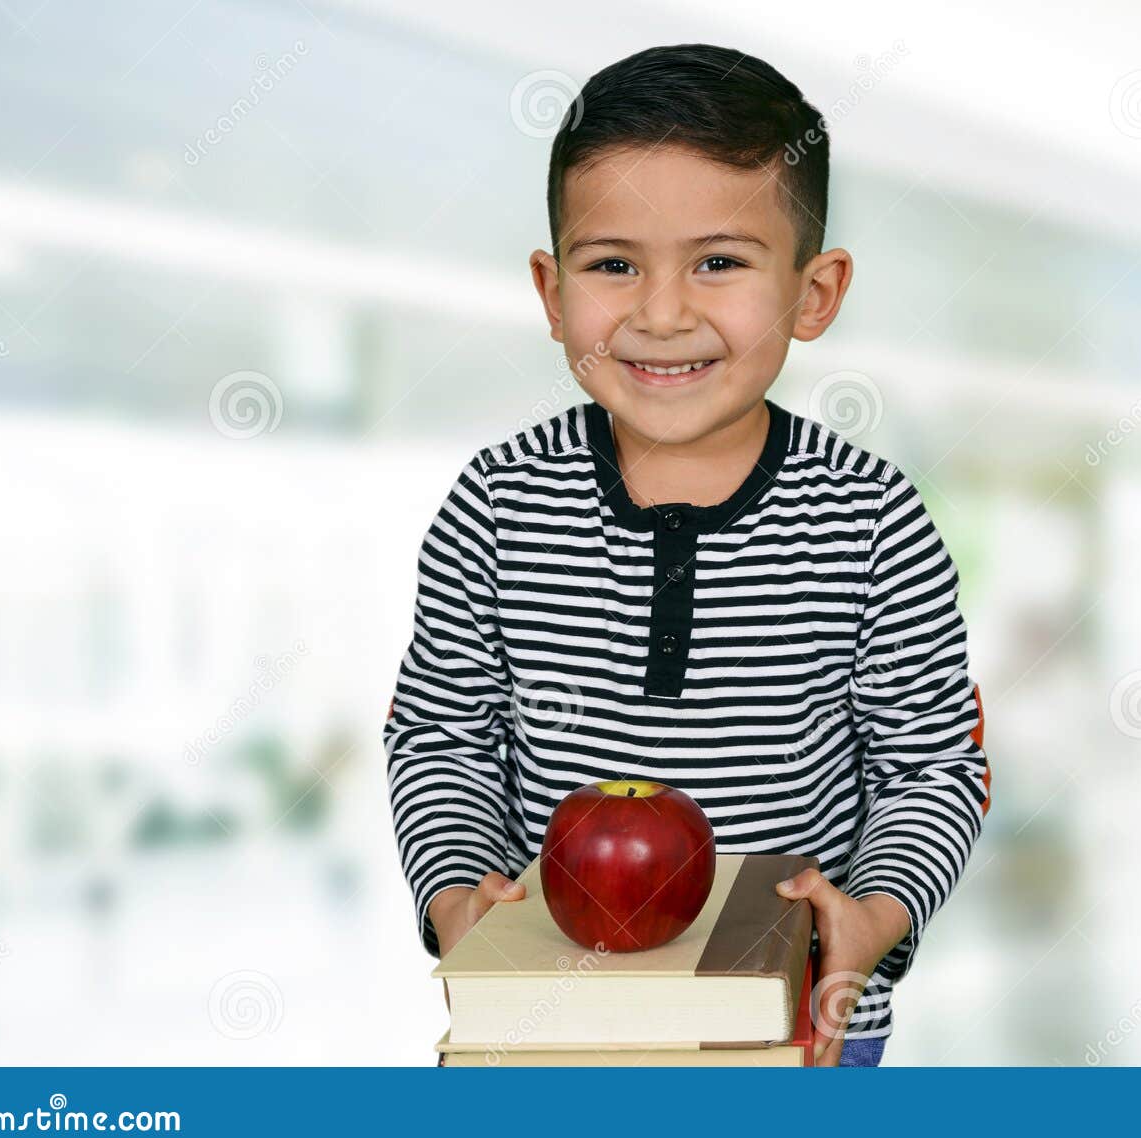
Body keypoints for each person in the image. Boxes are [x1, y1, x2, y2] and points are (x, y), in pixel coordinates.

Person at [384, 43, 990, 1067]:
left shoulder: (873, 515)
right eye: (612, 264)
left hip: (794, 1027)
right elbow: (440, 737)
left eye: (719, 261)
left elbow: (930, 765)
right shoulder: (494, 502)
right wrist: (456, 903)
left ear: (814, 291)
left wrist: (873, 917)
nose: (661, 314)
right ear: (550, 288)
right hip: (549, 1027)